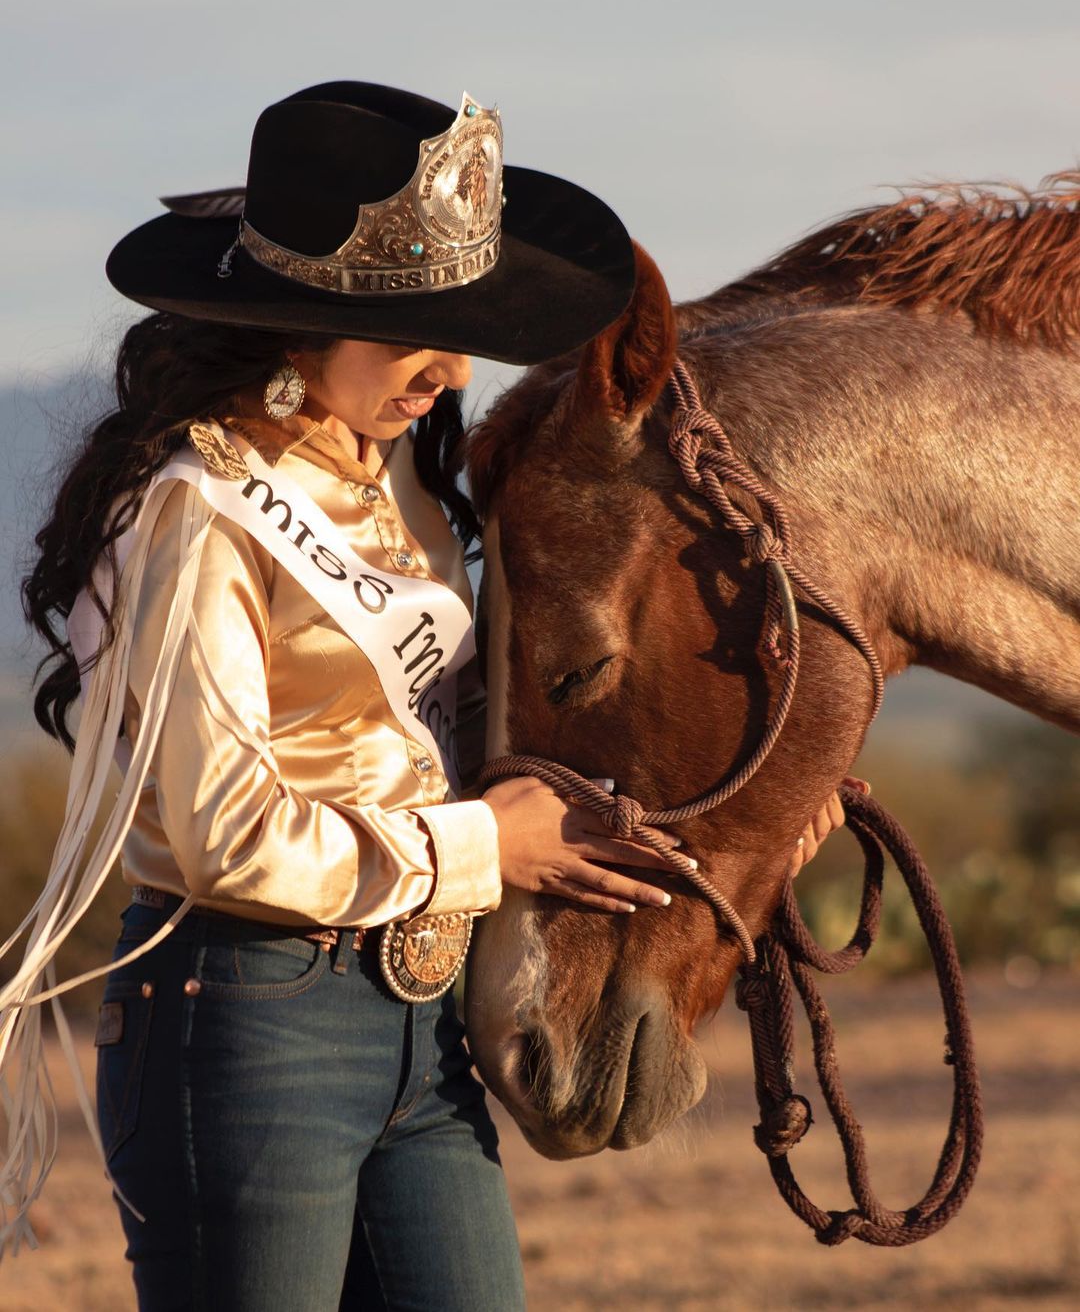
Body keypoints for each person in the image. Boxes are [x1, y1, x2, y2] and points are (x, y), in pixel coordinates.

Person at [4, 82, 853, 1310]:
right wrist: (488, 846)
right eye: (418, 337)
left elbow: (452, 756)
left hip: (421, 1022)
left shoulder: (399, 488)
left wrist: (732, 830)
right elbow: (223, 834)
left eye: (460, 335)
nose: (450, 372)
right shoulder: (194, 512)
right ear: (296, 322)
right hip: (244, 1014)